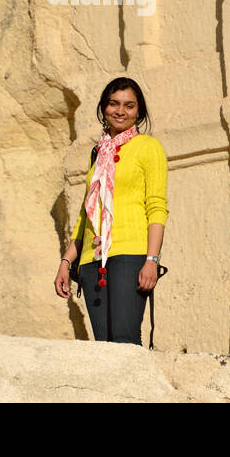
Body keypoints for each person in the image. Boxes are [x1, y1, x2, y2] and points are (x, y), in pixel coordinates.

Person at [54, 76, 167, 344]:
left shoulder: (148, 147)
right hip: (92, 260)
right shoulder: (98, 153)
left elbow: (157, 207)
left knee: (125, 340)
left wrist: (151, 260)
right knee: (104, 348)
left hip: (130, 254)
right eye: (114, 103)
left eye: (129, 105)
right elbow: (85, 217)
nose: (120, 111)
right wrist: (66, 261)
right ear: (104, 107)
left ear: (139, 111)